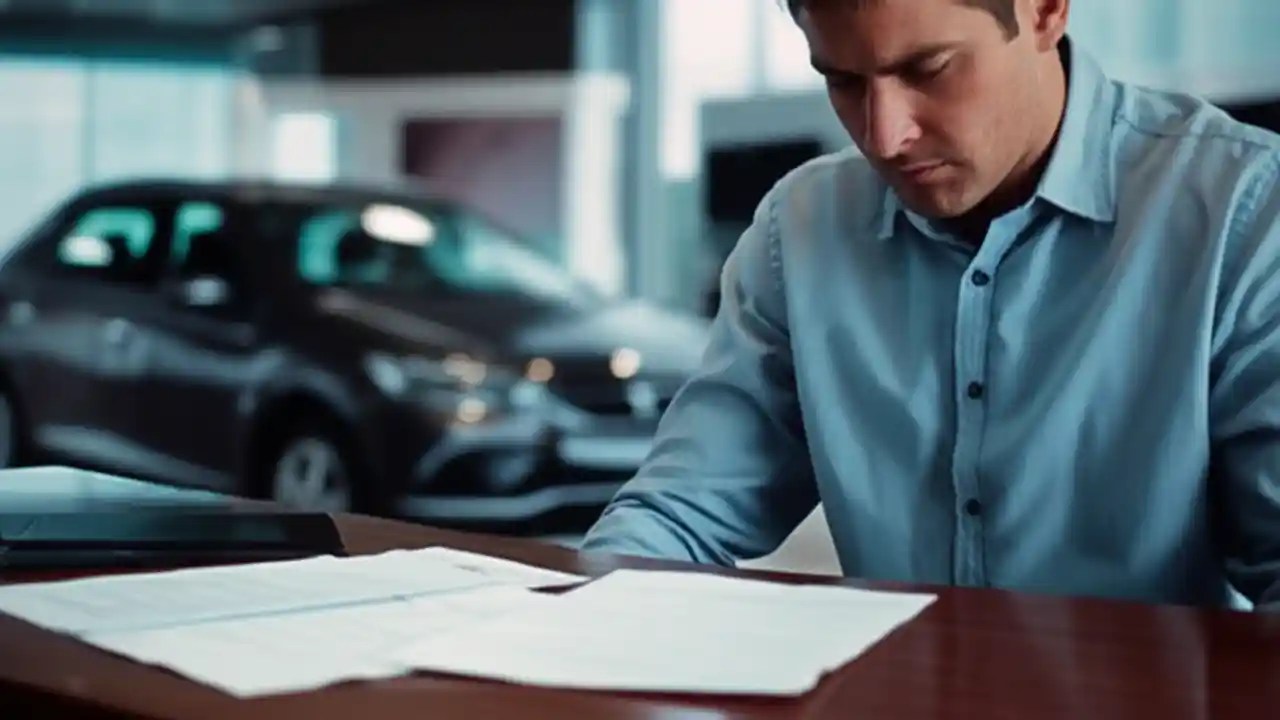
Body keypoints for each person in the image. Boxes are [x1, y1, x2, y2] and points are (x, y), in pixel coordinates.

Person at [582, 0, 1280, 610]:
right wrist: (560, 634)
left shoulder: (1238, 214)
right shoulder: (797, 234)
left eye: (929, 68)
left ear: (1044, 10)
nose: (885, 135)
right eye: (844, 81)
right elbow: (680, 512)